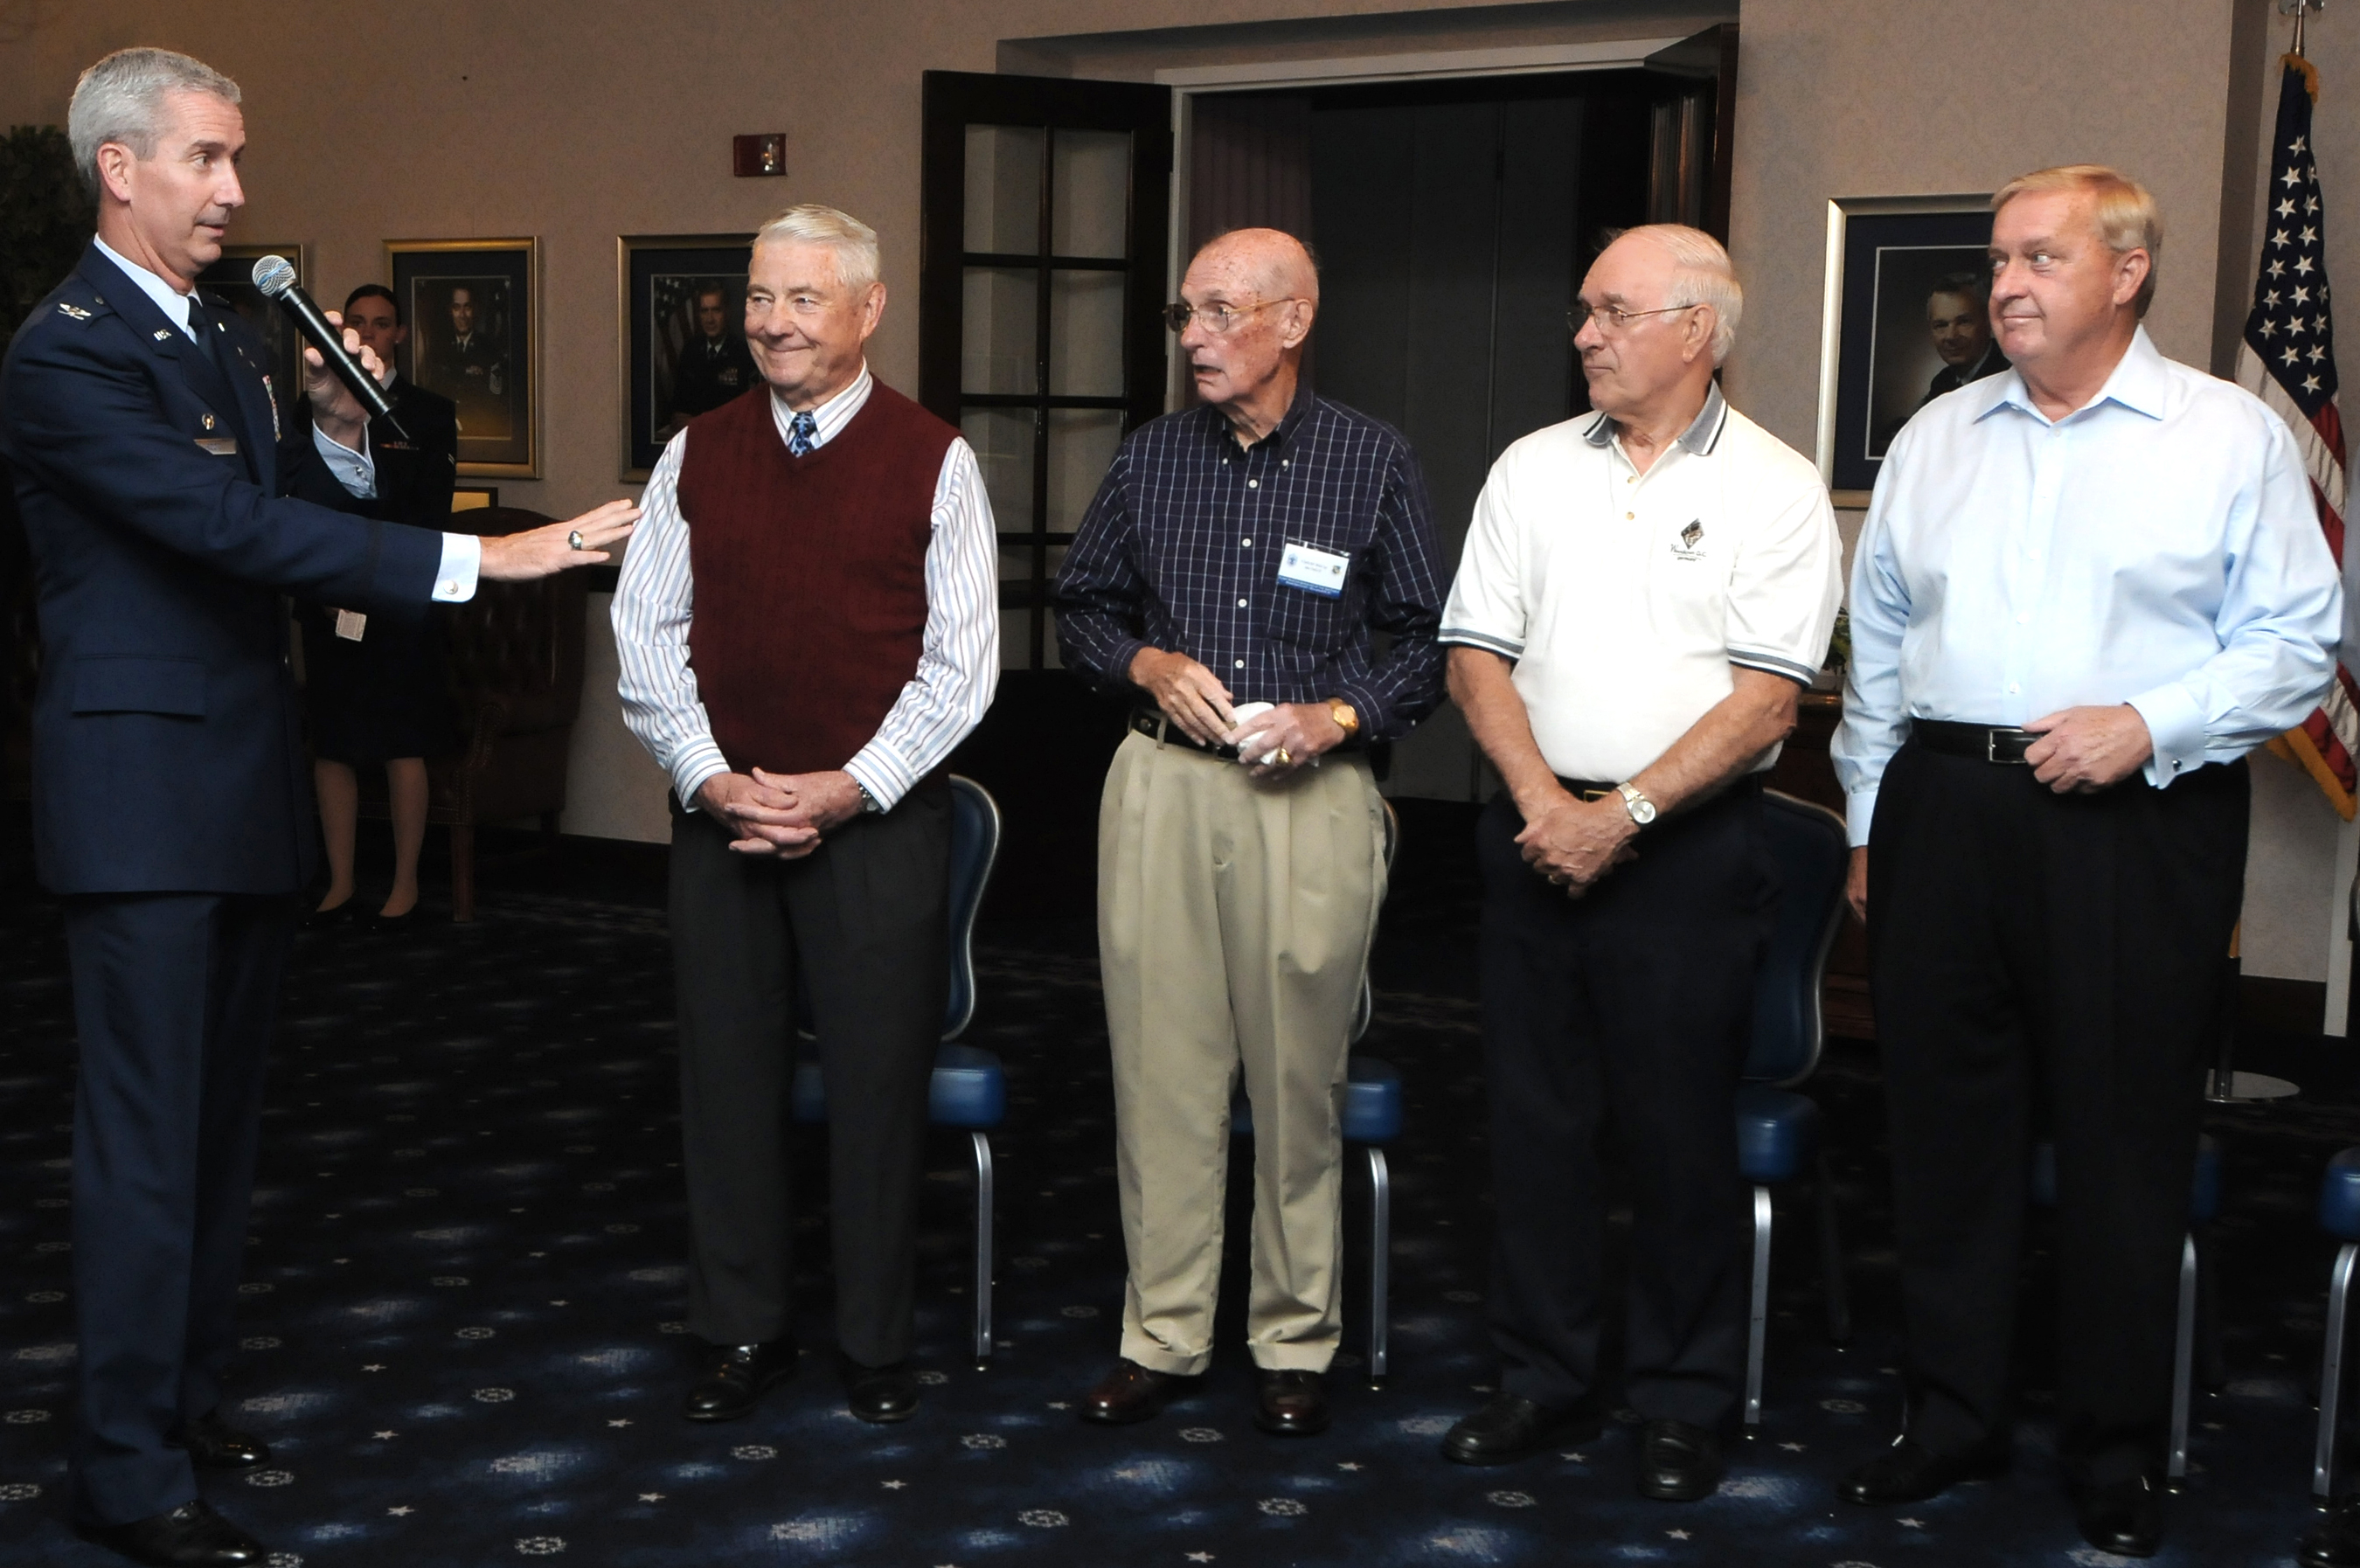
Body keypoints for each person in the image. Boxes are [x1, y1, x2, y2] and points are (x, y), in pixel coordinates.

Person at [0, 47, 635, 1568]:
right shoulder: (63, 350)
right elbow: (224, 524)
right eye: (208, 159)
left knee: (219, 1134)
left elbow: (312, 507)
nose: (234, 190)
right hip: (139, 794)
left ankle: (182, 1393)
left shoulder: (225, 331)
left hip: (239, 779)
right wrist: (495, 560)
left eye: (236, 159)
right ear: (122, 168)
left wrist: (458, 515)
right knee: (146, 1141)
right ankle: (124, 1465)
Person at [1831, 165, 2340, 1559]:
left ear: (2127, 274)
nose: (2004, 284)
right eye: (1999, 259)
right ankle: (1949, 1419)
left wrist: (2150, 722)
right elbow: (1878, 641)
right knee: (1943, 1140)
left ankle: (2115, 1451)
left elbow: (2299, 639)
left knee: (2123, 1147)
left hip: (2137, 822)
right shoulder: (1940, 435)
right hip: (1944, 809)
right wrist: (1874, 815)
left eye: (2039, 257)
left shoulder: (2226, 435)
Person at [1436, 225, 1841, 1501]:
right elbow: (1474, 657)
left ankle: (1680, 1395)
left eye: (1611, 312)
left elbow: (1768, 703)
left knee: (1678, 1138)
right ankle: (1543, 1374)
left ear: (1697, 330)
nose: (1585, 335)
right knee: (1535, 1124)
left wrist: (1621, 816)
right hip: (1531, 832)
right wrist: (1546, 800)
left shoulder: (1777, 486)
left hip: (1687, 858)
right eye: (1585, 311)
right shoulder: (1530, 467)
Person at [1053, 227, 1448, 1439]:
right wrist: (1146, 659)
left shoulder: (1371, 457)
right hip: (1164, 787)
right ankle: (1164, 1333)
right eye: (1187, 314)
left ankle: (1293, 1338)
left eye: (1222, 313)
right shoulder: (1150, 457)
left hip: (1310, 799)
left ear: (1294, 319)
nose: (1195, 337)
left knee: (1296, 1082)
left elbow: (1428, 641)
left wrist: (1341, 717)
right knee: (1161, 1076)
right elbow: (1080, 607)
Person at [612, 204, 997, 1431]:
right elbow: (647, 632)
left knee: (881, 1089)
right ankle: (740, 1329)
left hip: (877, 828)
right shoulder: (695, 452)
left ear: (868, 309)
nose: (771, 322)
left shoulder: (936, 457)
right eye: (759, 297)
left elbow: (962, 665)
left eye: (803, 299)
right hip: (720, 819)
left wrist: (847, 787)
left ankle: (875, 1341)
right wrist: (708, 772)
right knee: (724, 1084)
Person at [295, 283, 462, 930]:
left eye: (381, 323)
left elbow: (427, 509)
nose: (367, 332)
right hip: (330, 599)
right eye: (356, 322)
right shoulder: (311, 405)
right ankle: (338, 881)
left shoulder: (427, 411)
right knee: (332, 741)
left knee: (401, 741)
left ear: (400, 334)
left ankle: (405, 882)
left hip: (398, 602)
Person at [662, 282, 758, 434]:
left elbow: (745, 416)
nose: (710, 319)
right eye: (704, 311)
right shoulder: (690, 351)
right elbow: (679, 412)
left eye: (716, 310)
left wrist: (698, 423)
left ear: (727, 312)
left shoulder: (744, 353)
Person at [420, 282, 509, 439]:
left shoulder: (489, 349)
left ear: (475, 310)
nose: (462, 315)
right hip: (443, 429)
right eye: (456, 308)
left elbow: (495, 398)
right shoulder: (438, 348)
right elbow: (430, 393)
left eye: (467, 307)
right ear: (450, 311)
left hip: (479, 430)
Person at [1915, 269, 2008, 406]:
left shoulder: (2012, 374)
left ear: (1989, 321)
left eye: (1964, 322)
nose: (1951, 336)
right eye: (1941, 325)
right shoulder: (1942, 382)